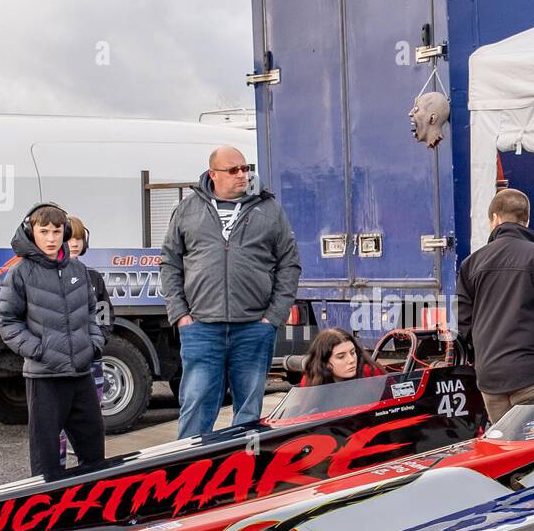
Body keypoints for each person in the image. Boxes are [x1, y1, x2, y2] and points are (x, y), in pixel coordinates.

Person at [160, 146, 301, 439]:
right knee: (196, 406)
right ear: (213, 174)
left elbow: (289, 263)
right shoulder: (188, 209)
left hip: (253, 327)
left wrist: (272, 317)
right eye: (233, 170)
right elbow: (170, 262)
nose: (242, 175)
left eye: (245, 168)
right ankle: (190, 474)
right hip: (201, 328)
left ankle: (243, 472)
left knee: (248, 414)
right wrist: (180, 315)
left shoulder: (269, 209)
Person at [0, 202, 106, 481]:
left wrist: (93, 344)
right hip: (45, 377)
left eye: (57, 231)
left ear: (65, 232)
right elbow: (7, 321)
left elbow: (93, 313)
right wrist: (38, 350)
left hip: (81, 373)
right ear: (30, 232)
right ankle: (48, 517)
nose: (51, 238)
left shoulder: (78, 271)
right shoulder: (20, 273)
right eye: (43, 231)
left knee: (95, 455)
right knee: (46, 462)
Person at [456, 188, 534, 423]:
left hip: (491, 381)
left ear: (495, 219)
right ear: (526, 220)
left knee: (507, 454)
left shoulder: (471, 265)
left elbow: (463, 324)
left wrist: (484, 356)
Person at [59, 216, 113, 465]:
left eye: (79, 238)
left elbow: (104, 316)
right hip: (58, 366)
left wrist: (96, 344)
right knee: (56, 425)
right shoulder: (49, 277)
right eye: (70, 237)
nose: (74, 243)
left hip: (91, 364)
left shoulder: (93, 278)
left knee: (90, 422)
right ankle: (55, 472)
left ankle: (89, 473)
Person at [300, 328, 383, 386]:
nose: (351, 360)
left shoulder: (370, 373)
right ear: (325, 362)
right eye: (341, 357)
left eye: (352, 352)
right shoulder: (311, 381)